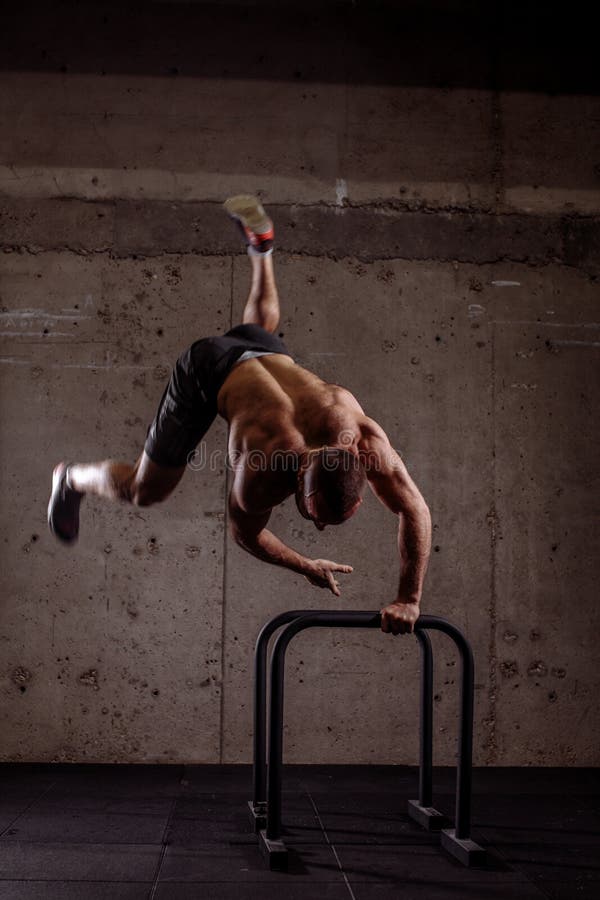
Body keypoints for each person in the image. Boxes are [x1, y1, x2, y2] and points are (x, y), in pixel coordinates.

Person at [48, 196, 431, 635]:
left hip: (263, 358)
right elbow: (245, 533)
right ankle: (70, 478)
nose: (320, 527)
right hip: (207, 369)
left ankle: (263, 249)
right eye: (315, 513)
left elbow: (414, 509)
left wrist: (409, 599)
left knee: (264, 340)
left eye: (324, 519)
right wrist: (304, 563)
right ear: (301, 478)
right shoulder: (264, 469)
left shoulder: (363, 440)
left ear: (360, 471)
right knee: (144, 489)